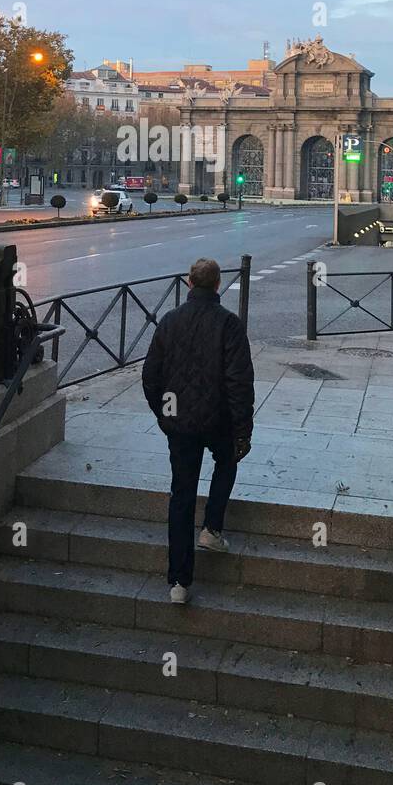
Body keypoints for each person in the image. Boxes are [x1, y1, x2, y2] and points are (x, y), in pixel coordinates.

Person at [142, 257, 254, 604]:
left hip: (181, 425)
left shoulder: (170, 321)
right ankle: (212, 528)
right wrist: (242, 429)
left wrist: (165, 415)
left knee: (181, 495)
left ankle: (179, 582)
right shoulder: (229, 324)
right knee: (227, 461)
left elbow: (151, 376)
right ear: (217, 285)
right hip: (217, 421)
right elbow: (239, 382)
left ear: (189, 284)